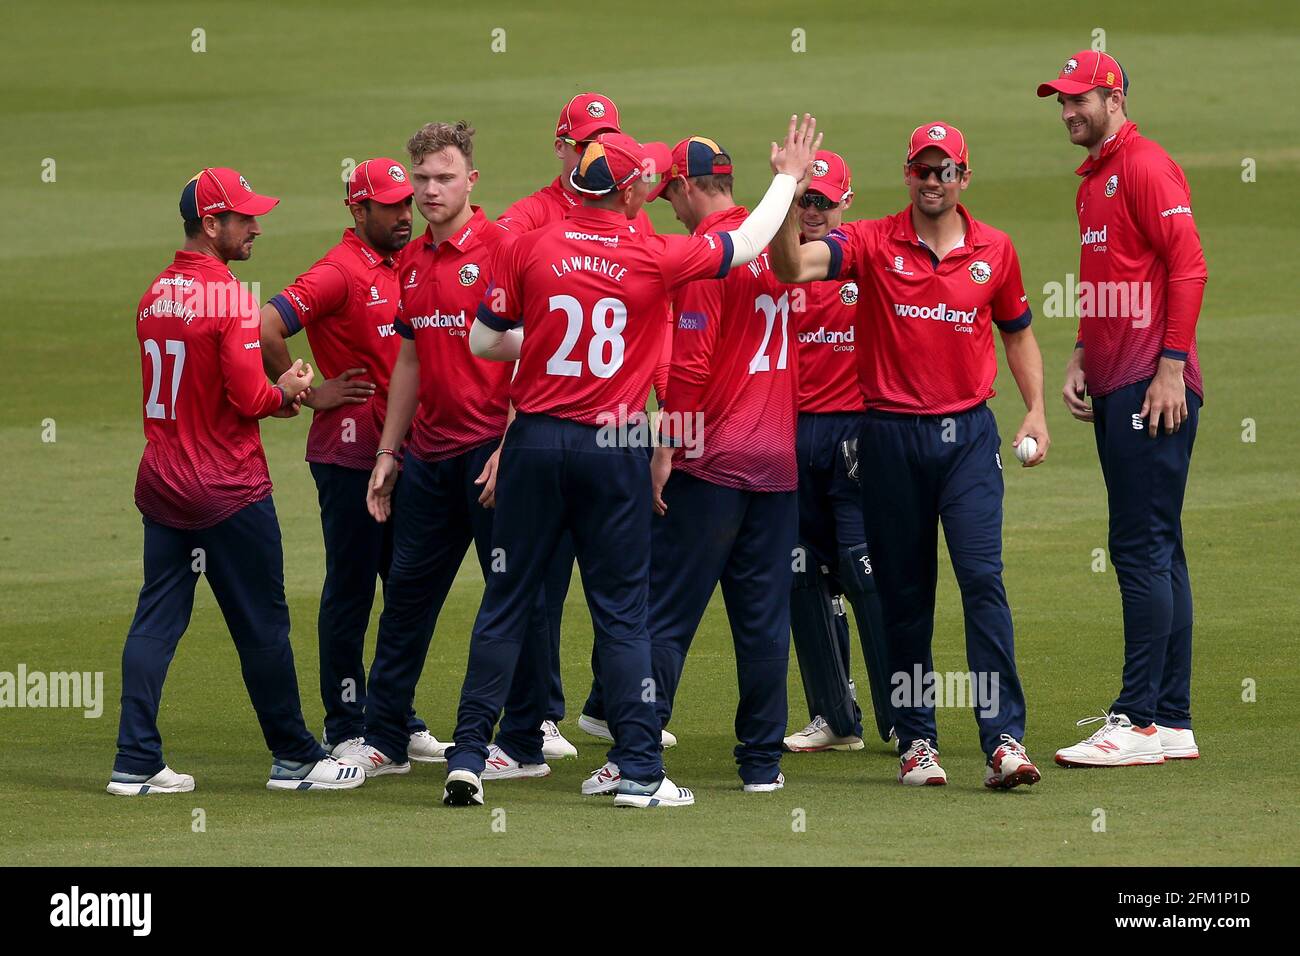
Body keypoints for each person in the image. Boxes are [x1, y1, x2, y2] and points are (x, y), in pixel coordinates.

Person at [443, 117, 821, 809]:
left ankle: (468, 755)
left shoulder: (526, 246)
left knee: (505, 602)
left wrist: (551, 338)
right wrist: (789, 178)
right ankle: (642, 768)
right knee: (620, 612)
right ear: (624, 195)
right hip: (613, 447)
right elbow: (746, 244)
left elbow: (484, 343)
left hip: (531, 441)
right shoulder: (654, 252)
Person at [770, 122, 1047, 789]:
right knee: (906, 595)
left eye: (944, 170)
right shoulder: (869, 241)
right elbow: (789, 267)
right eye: (923, 169)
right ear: (907, 174)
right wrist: (789, 190)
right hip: (891, 439)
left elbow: (1017, 333)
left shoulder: (996, 250)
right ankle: (917, 740)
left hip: (969, 440)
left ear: (963, 178)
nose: (933, 180)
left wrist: (1035, 407)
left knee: (983, 581)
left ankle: (1004, 739)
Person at [110, 167, 364, 794]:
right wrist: (293, 392)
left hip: (162, 482)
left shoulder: (154, 292)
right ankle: (296, 758)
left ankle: (134, 760)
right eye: (243, 218)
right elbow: (249, 395)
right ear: (210, 224)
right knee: (263, 625)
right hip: (226, 486)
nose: (256, 226)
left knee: (156, 620)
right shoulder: (226, 296)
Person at [580, 134, 799, 794]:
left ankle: (632, 755)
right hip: (778, 461)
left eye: (671, 191)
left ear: (689, 186)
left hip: (713, 463)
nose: (668, 204)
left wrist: (668, 447)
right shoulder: (776, 251)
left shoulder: (711, 259)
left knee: (665, 619)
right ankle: (762, 765)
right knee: (764, 624)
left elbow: (695, 366)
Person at [349, 122, 554, 781]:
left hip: (493, 457)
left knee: (510, 596)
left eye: (444, 177)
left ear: (472, 180)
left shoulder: (505, 250)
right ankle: (383, 737)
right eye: (423, 179)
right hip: (431, 462)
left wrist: (510, 442)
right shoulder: (411, 261)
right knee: (406, 598)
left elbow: (539, 350)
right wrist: (388, 450)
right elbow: (408, 358)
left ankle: (522, 743)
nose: (431, 190)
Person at [1037, 51, 1208, 768]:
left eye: (1080, 98)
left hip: (1150, 385)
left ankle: (1137, 721)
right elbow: (1115, 275)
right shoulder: (1095, 180)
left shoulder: (1144, 166)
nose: (1069, 110)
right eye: (1062, 100)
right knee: (1159, 544)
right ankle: (1170, 719)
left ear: (1115, 96)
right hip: (1118, 381)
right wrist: (1081, 350)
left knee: (1139, 548)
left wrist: (1170, 368)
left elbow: (1188, 264)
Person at [259, 158, 447, 764]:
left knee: (404, 590)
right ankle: (345, 723)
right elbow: (265, 323)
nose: (403, 213)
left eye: (405, 203)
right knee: (351, 590)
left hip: (404, 452)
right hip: (347, 458)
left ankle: (393, 716)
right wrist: (307, 392)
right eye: (389, 206)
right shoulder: (339, 271)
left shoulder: (411, 260)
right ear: (357, 210)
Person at [496, 92, 659, 761]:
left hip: (608, 426)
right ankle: (536, 721)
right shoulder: (529, 219)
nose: (594, 149)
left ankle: (613, 717)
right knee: (539, 582)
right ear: (560, 146)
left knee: (614, 585)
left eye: (606, 138)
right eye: (584, 139)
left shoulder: (632, 215)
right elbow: (497, 321)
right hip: (538, 419)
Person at [779, 149, 895, 755]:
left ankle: (902, 717)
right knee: (800, 572)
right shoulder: (781, 265)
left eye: (825, 200)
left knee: (863, 569)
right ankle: (834, 716)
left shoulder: (865, 260)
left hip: (854, 433)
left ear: (846, 201)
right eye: (806, 199)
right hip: (791, 433)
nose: (815, 210)